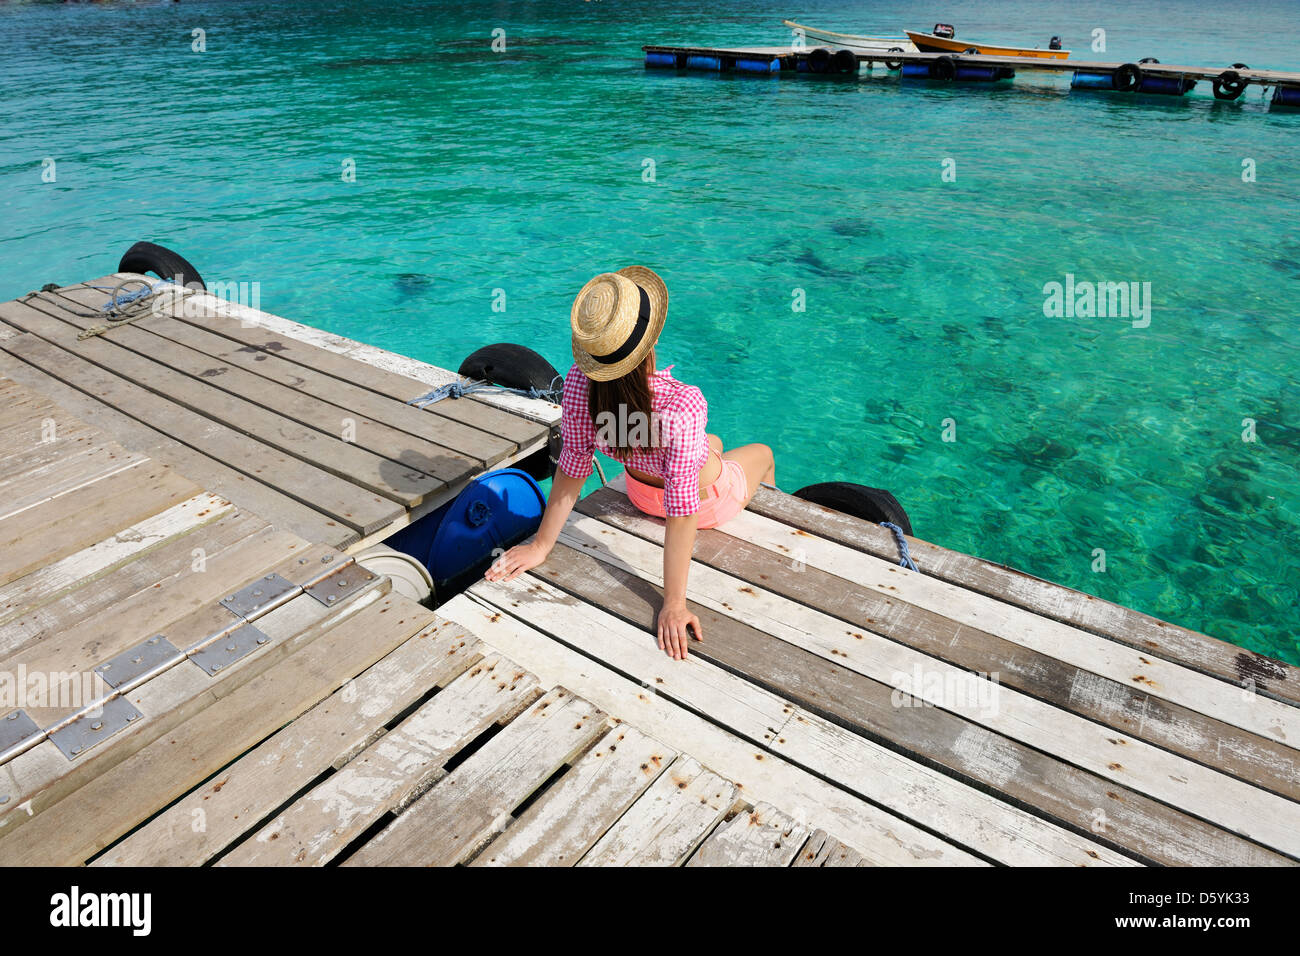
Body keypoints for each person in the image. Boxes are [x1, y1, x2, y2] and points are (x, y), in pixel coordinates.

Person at [484, 265, 775, 661]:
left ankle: (713, 455)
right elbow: (684, 511)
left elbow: (571, 471)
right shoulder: (682, 403)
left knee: (712, 443)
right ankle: (771, 507)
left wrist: (541, 545)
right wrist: (673, 602)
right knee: (762, 453)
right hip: (707, 504)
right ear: (650, 341)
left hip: (637, 492)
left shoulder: (578, 386)